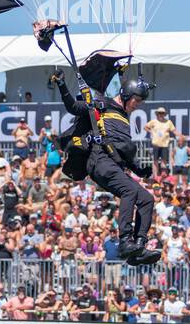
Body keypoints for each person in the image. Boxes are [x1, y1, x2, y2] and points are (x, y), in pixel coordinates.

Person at [53, 68, 159, 265]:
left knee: (146, 199)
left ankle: (139, 247)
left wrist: (139, 170)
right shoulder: (103, 105)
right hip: (100, 161)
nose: (137, 106)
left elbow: (121, 151)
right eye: (136, 101)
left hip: (114, 164)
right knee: (129, 191)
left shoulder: (123, 118)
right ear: (127, 95)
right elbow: (74, 108)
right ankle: (125, 241)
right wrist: (62, 85)